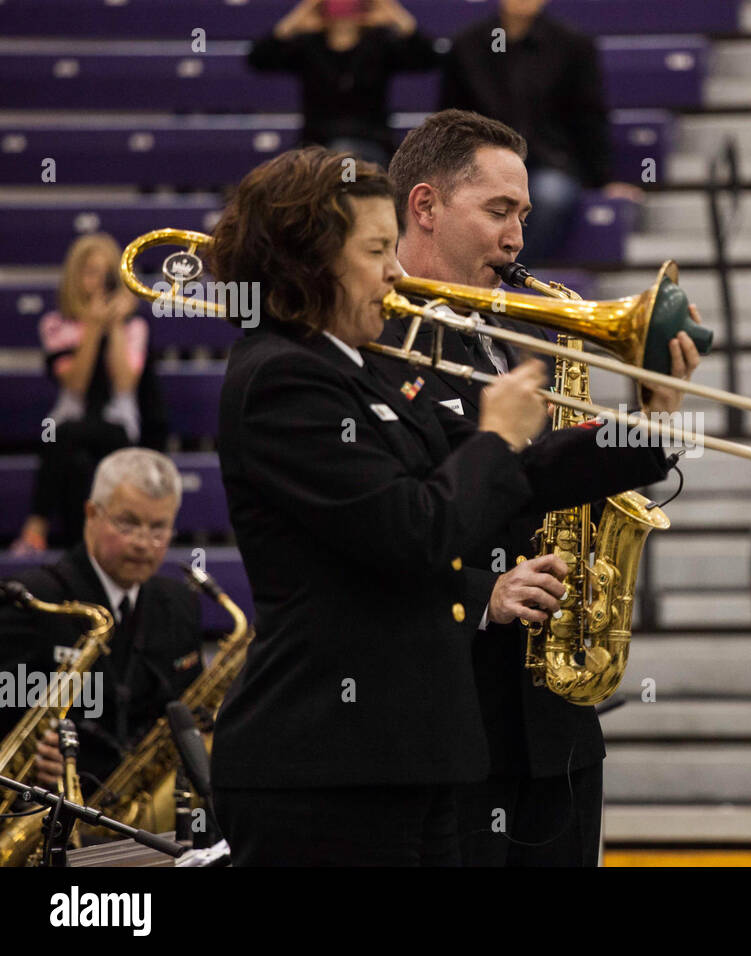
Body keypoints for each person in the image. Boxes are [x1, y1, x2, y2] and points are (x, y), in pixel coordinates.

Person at [206, 145, 677, 866]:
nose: (396, 271)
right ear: (309, 259)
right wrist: (493, 438)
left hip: (417, 757)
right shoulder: (282, 381)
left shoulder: (360, 367)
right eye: (375, 250)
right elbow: (415, 530)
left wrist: (649, 421)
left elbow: (521, 469)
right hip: (329, 765)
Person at [380, 109, 702, 865]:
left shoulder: (527, 329)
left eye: (522, 214)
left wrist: (650, 420)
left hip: (555, 719)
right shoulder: (375, 339)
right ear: (424, 206)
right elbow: (384, 524)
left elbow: (549, 467)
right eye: (498, 211)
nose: (517, 237)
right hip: (448, 715)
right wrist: (479, 596)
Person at [0, 448, 202, 793]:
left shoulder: (181, 603)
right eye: (128, 523)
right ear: (91, 513)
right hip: (52, 813)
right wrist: (27, 760)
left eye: (159, 528)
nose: (143, 543)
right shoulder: (35, 600)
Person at [438, 0, 644, 262]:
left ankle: (511, 277)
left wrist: (603, 179)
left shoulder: (572, 44)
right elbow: (450, 119)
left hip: (551, 163)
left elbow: (589, 117)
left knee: (550, 197)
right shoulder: (467, 45)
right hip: (482, 165)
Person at [10, 234, 167, 555]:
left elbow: (124, 383)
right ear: (74, 277)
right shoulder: (56, 325)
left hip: (118, 428)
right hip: (67, 427)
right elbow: (76, 384)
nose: (96, 282)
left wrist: (114, 327)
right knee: (75, 458)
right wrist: (92, 328)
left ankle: (37, 523)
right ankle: (83, 547)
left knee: (68, 440)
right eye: (89, 272)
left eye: (103, 273)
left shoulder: (133, 328)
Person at [248, 0, 439, 166]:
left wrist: (395, 14)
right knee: (338, 164)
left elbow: (428, 58)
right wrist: (298, 17)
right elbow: (259, 59)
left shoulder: (380, 43)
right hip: (316, 146)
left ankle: (350, 195)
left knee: (347, 161)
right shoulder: (307, 45)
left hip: (371, 143)